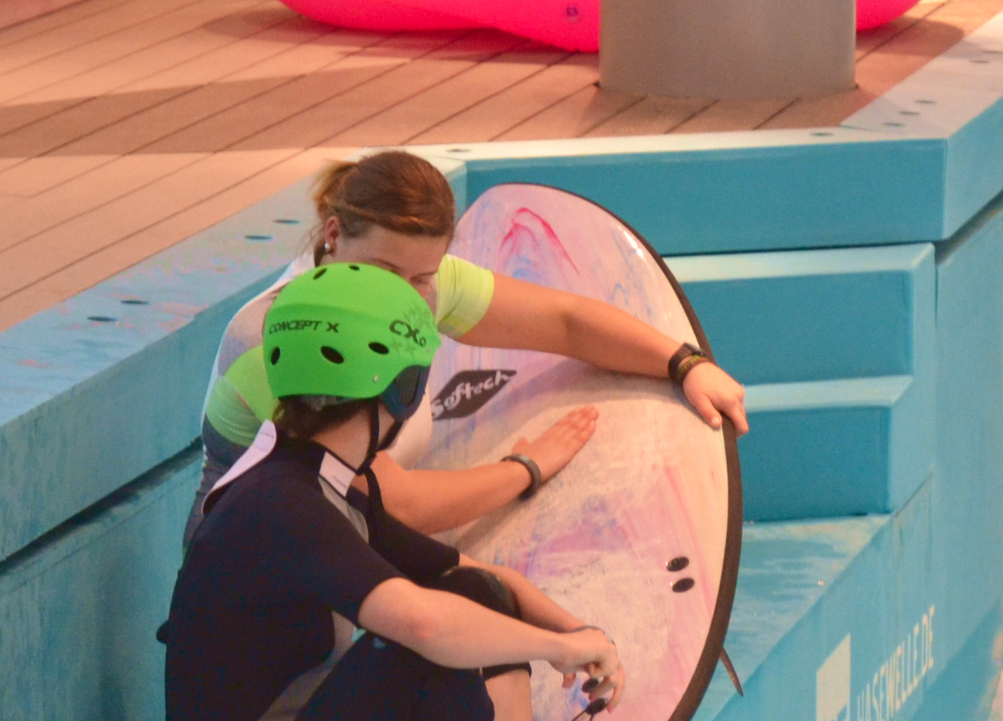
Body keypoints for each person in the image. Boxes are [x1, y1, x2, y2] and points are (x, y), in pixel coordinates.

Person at [162, 263, 646, 721]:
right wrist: (558, 652)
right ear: (402, 386)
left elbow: (472, 581)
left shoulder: (319, 483)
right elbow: (421, 625)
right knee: (424, 653)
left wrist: (579, 633)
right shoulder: (281, 505)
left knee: (475, 606)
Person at [189, 150, 751, 537]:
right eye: (388, 271)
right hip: (266, 595)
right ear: (334, 235)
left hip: (356, 551)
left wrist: (685, 363)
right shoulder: (274, 346)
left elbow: (565, 321)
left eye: (423, 277)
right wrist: (526, 467)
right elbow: (394, 503)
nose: (408, 297)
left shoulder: (420, 288)